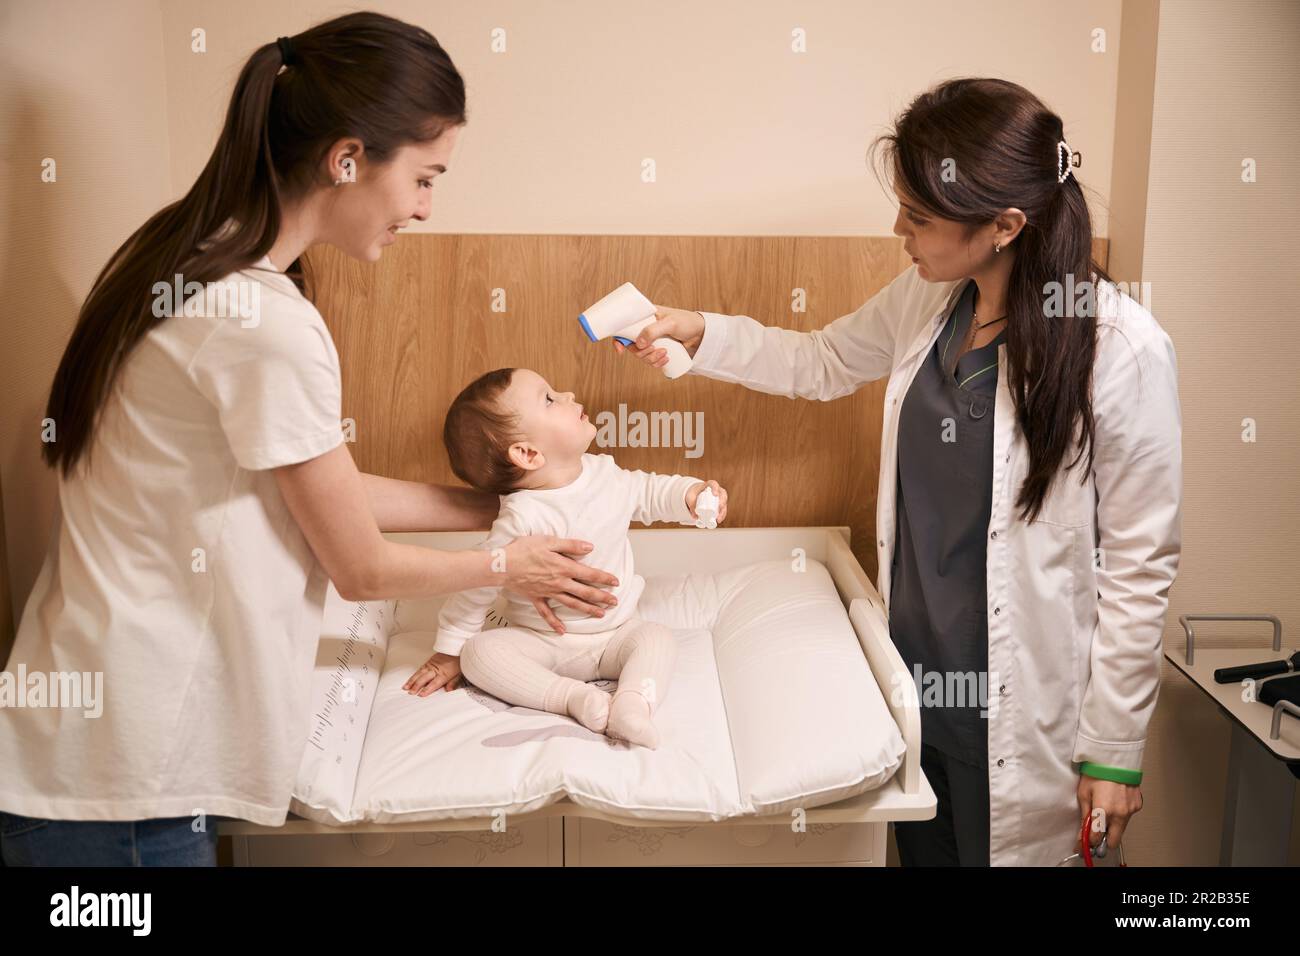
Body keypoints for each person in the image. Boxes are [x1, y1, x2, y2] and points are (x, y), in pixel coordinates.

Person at [0, 12, 621, 867]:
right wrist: (506, 565)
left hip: (104, 747)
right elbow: (358, 564)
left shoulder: (191, 258)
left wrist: (504, 504)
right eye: (426, 177)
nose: (427, 209)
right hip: (125, 780)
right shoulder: (264, 321)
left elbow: (317, 488)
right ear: (347, 157)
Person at [617, 77, 1182, 866]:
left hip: (1024, 708)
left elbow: (1138, 561)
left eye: (918, 216)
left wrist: (1115, 748)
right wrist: (701, 331)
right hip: (914, 679)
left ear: (1004, 225)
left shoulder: (1118, 348)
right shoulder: (933, 302)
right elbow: (821, 359)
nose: (898, 230)